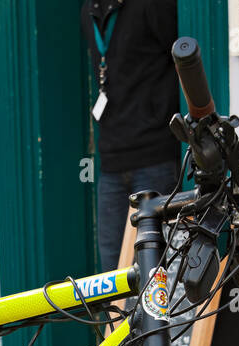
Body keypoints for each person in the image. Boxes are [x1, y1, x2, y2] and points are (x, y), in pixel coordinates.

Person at [81, 0, 179, 270]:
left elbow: (182, 56)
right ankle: (117, 316)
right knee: (113, 273)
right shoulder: (90, 10)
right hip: (111, 162)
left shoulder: (151, 5)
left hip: (155, 156)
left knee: (160, 268)